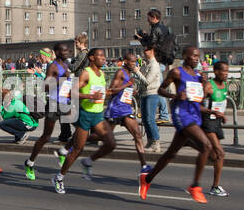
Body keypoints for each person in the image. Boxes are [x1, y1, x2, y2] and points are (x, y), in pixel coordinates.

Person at [139, 46, 215, 202]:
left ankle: (147, 180)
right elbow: (161, 90)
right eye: (194, 56)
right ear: (185, 56)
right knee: (206, 146)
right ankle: (195, 186)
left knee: (170, 154)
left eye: (198, 57)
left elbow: (206, 91)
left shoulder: (198, 75)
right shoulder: (177, 72)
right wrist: (175, 95)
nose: (197, 59)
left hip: (194, 115)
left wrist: (206, 85)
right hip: (182, 115)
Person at [55, 47, 119, 194]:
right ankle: (59, 177)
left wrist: (112, 92)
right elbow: (73, 92)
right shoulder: (86, 73)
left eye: (104, 56)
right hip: (85, 115)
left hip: (97, 115)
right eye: (100, 56)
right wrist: (90, 97)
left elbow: (101, 93)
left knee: (111, 143)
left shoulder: (102, 74)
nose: (104, 58)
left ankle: (88, 161)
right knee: (77, 149)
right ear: (91, 58)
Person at [23, 42, 73, 180]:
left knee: (82, 129)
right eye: (64, 51)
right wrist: (59, 81)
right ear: (57, 52)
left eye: (67, 50)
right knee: (46, 136)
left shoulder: (65, 65)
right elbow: (45, 86)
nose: (67, 52)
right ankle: (30, 162)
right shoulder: (53, 66)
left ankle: (63, 151)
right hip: (53, 103)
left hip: (65, 102)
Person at [105, 50, 151, 175]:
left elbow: (125, 92)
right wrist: (127, 85)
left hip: (125, 109)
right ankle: (77, 143)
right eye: (132, 62)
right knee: (102, 136)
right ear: (125, 61)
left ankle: (144, 166)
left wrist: (132, 92)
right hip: (115, 109)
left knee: (137, 134)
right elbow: (112, 90)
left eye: (135, 62)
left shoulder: (130, 74)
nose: (134, 64)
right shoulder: (120, 72)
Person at [199, 60, 229, 196]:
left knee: (214, 155)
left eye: (228, 71)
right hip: (207, 122)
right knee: (220, 154)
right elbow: (198, 106)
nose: (226, 74)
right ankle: (215, 187)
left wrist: (221, 115)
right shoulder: (208, 86)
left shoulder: (225, 86)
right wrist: (212, 112)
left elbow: (220, 105)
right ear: (216, 71)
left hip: (216, 123)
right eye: (224, 71)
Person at [138, 47, 165, 154]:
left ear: (152, 51)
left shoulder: (154, 65)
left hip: (152, 93)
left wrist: (136, 71)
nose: (144, 52)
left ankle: (156, 143)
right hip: (144, 94)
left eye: (146, 50)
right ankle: (150, 141)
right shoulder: (146, 65)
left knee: (150, 119)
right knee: (145, 119)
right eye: (144, 50)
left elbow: (147, 81)